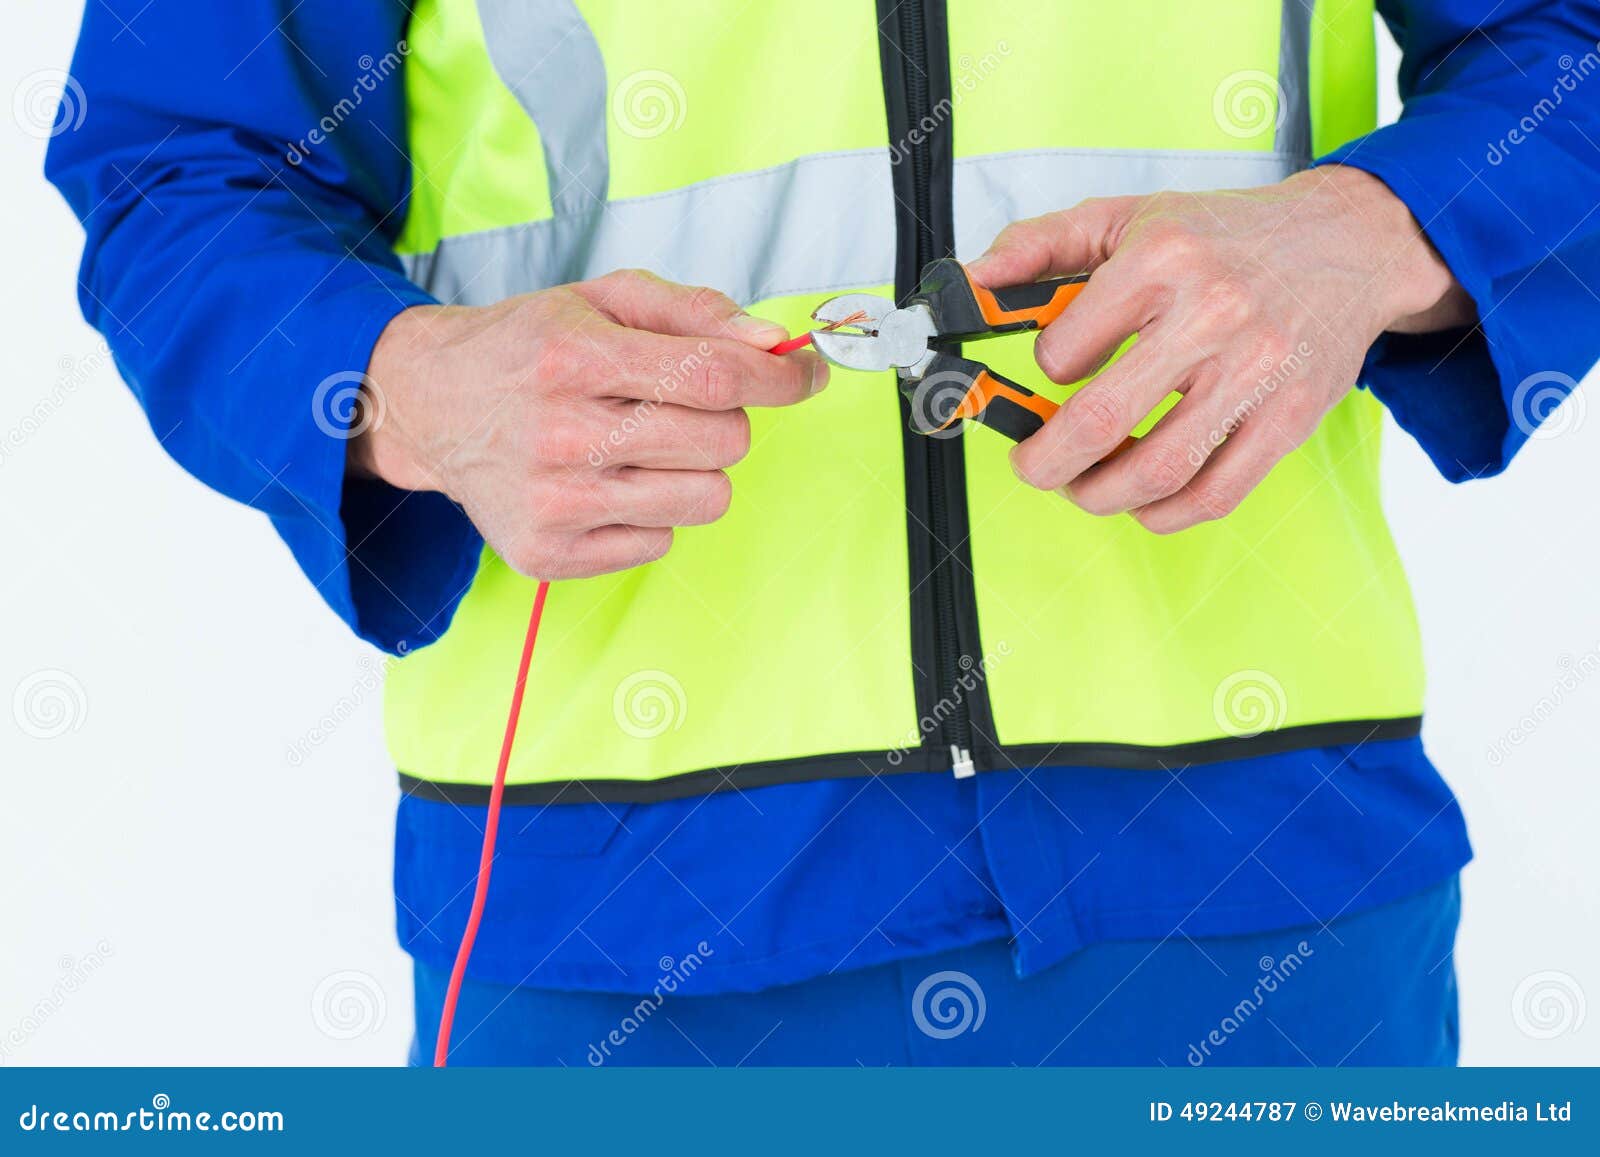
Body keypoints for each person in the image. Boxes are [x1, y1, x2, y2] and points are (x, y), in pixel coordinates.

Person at [47, 0, 1600, 1065]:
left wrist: (1373, 232)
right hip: (613, 929)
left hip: (1263, 895)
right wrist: (405, 383)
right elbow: (174, 163)